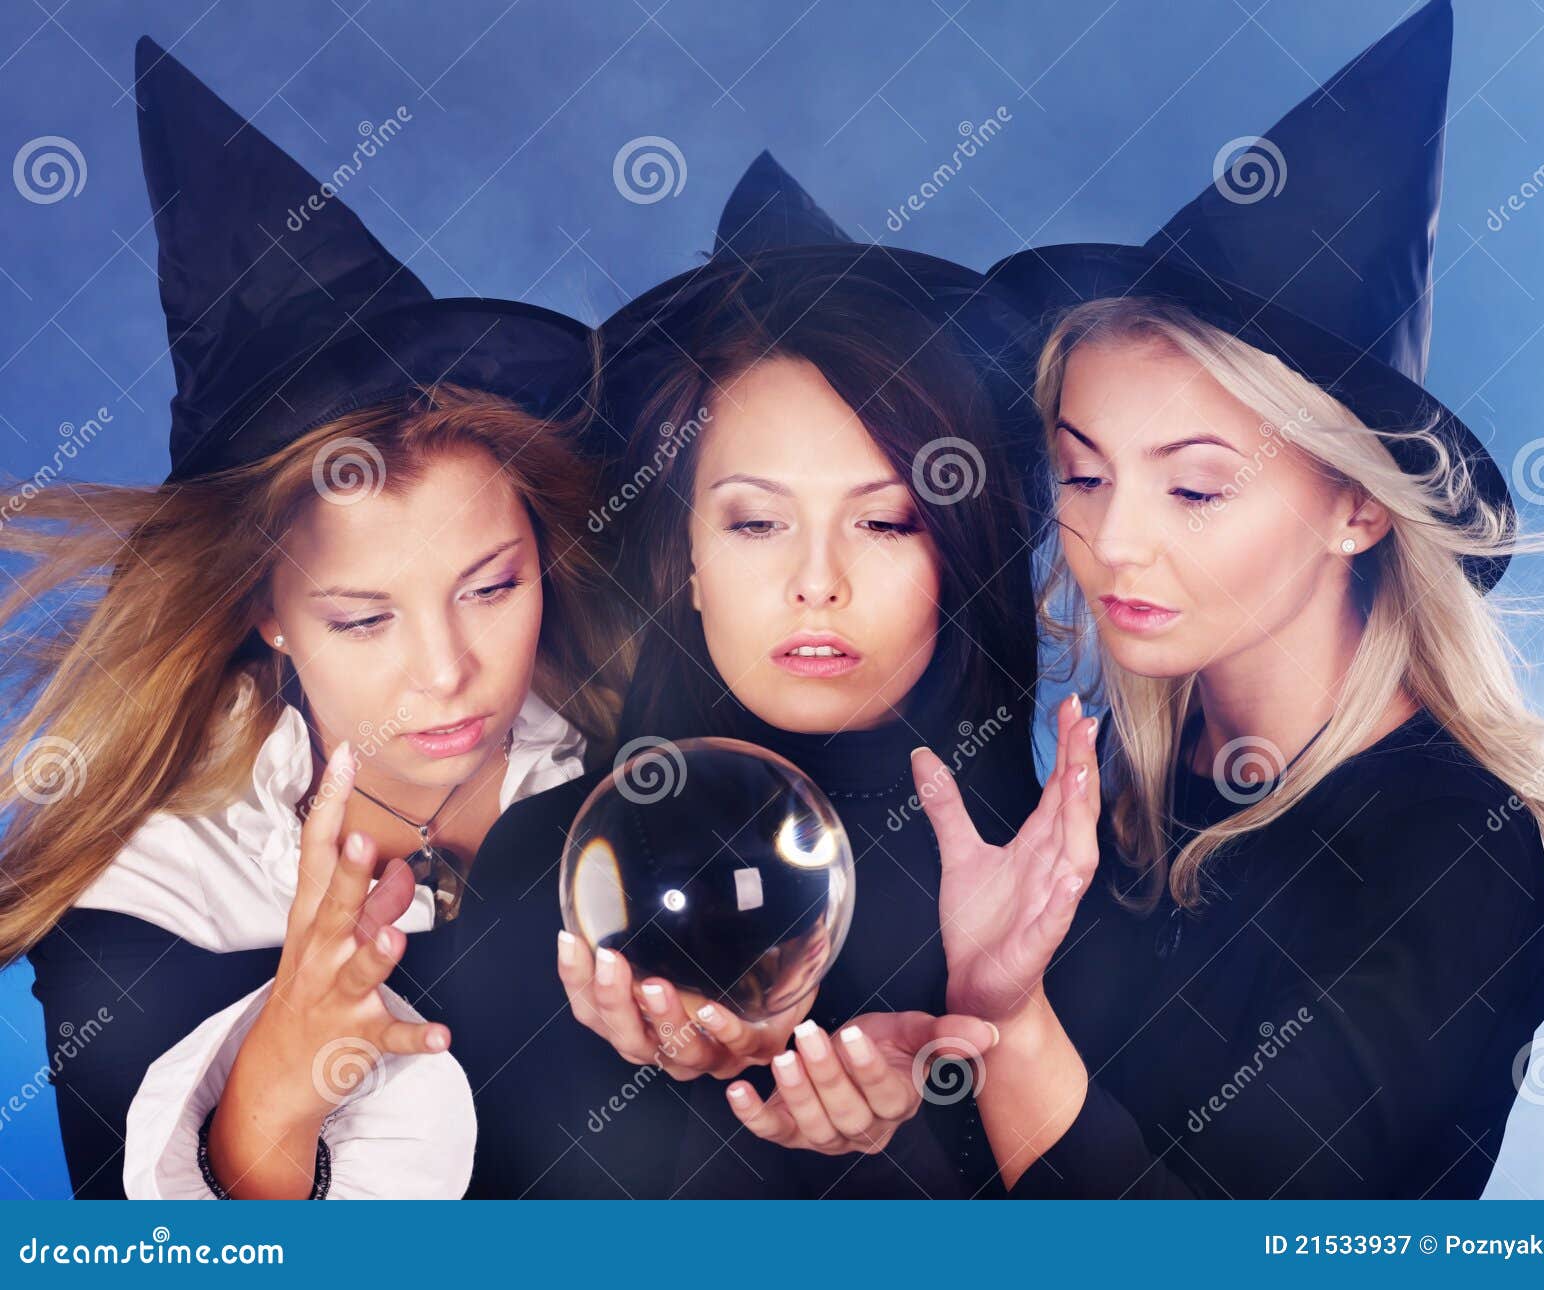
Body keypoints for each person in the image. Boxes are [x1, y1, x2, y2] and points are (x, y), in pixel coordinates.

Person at [896, 0, 1544, 1198]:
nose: (1112, 542)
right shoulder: (1134, 776)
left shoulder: (1448, 859)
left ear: (1356, 509)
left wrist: (1006, 1019)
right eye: (1083, 473)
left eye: (1196, 490)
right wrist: (887, 1095)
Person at [8, 38, 628, 1199]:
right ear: (268, 612)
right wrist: (270, 1097)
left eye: (491, 587)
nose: (446, 672)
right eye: (361, 619)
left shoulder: (646, 736)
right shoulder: (154, 892)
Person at [449, 153, 1065, 1197]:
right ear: (687, 556)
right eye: (756, 522)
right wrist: (715, 1093)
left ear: (958, 555)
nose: (816, 582)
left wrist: (897, 1141)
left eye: (883, 521)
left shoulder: (1060, 891)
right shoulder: (541, 878)